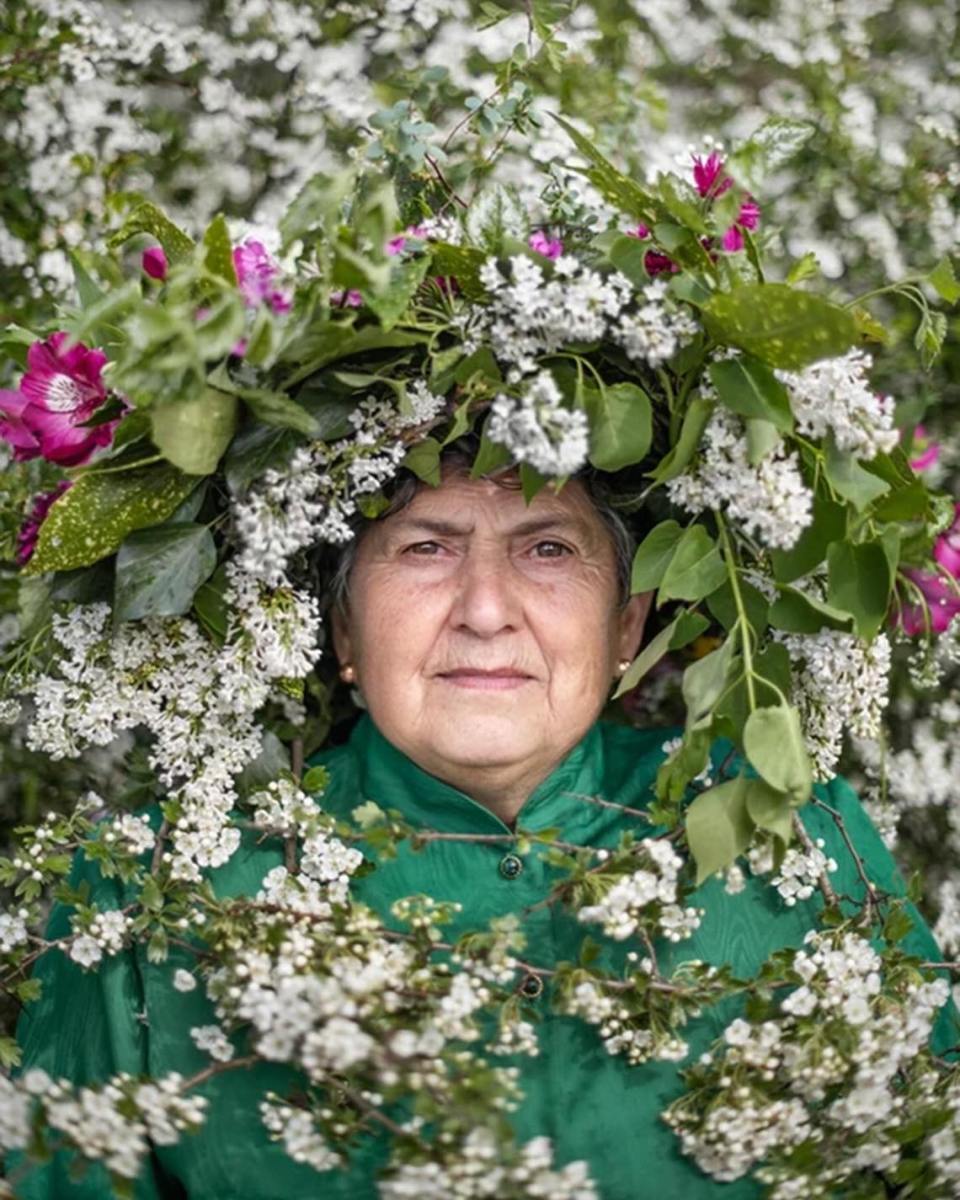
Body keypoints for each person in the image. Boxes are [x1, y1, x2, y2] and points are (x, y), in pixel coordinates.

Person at [12, 449, 953, 1200]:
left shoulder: (790, 831)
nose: (487, 611)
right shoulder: (151, 888)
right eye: (427, 548)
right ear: (343, 631)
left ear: (627, 628)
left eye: (549, 550)